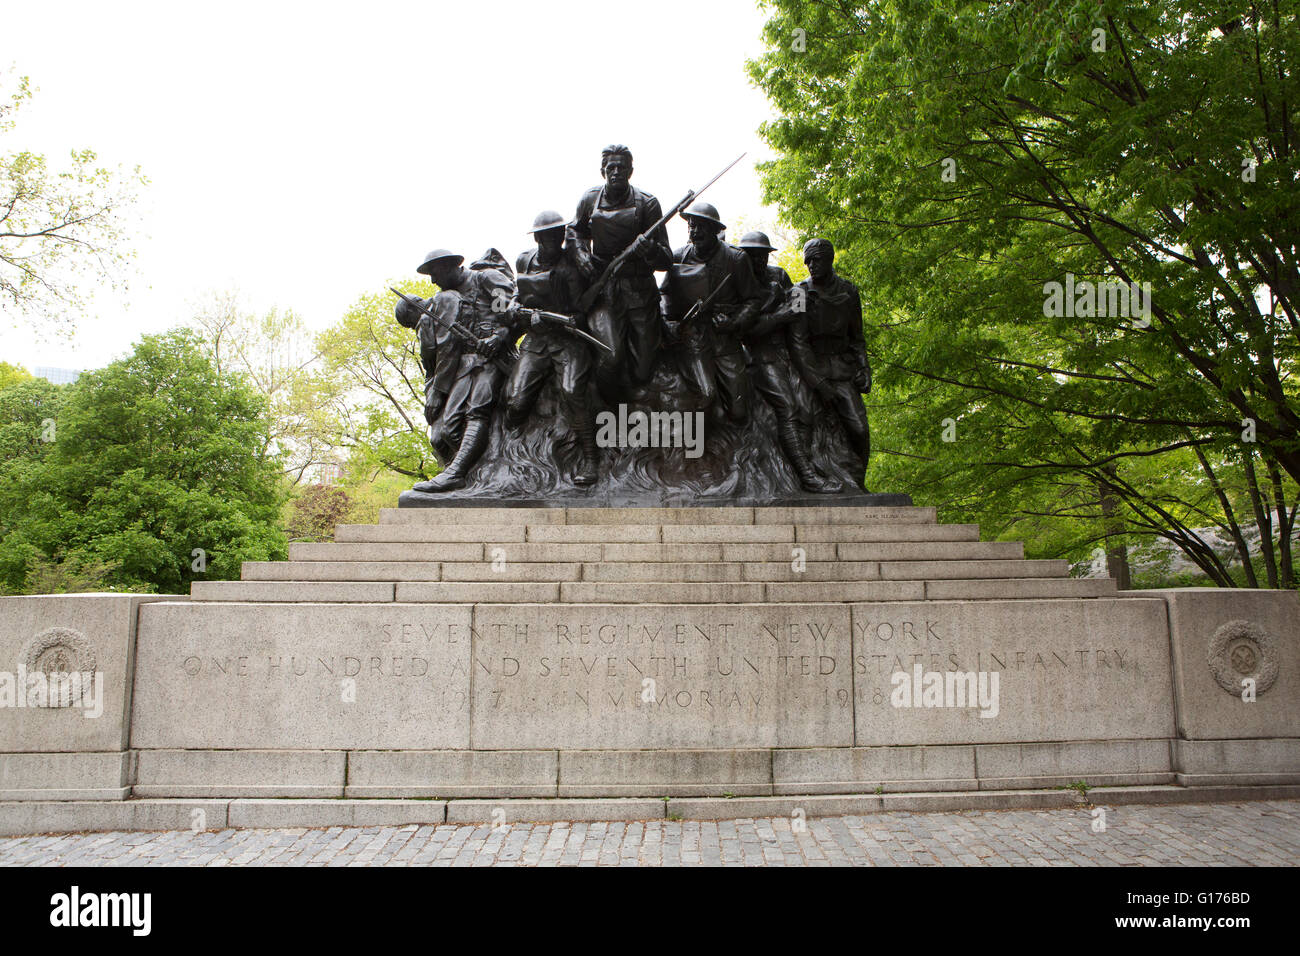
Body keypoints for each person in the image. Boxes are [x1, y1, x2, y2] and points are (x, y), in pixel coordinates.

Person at [397, 248, 519, 492]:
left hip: (494, 359)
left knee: (477, 410)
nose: (432, 280)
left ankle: (456, 474)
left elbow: (516, 312)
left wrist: (499, 337)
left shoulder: (485, 278)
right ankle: (469, 475)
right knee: (450, 425)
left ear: (451, 265)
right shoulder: (445, 298)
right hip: (465, 365)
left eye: (434, 273)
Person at [736, 231, 841, 493]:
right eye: (751, 256)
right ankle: (807, 477)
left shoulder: (779, 276)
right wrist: (780, 316)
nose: (758, 261)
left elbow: (797, 308)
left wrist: (791, 313)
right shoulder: (738, 285)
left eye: (762, 255)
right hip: (760, 357)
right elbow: (746, 332)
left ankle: (809, 466)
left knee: (808, 409)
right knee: (788, 408)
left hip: (789, 352)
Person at [566, 144, 672, 395]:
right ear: (602, 171)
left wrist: (650, 251)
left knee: (643, 371)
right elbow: (574, 231)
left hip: (639, 292)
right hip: (603, 290)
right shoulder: (589, 199)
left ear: (631, 171)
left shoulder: (648, 203)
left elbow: (666, 259)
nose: (616, 172)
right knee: (611, 355)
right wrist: (581, 254)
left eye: (621, 167)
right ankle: (604, 404)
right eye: (610, 167)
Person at [504, 210, 600, 486]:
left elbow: (581, 310)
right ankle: (516, 458)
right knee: (516, 401)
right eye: (547, 235)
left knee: (572, 392)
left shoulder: (571, 268)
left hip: (567, 340)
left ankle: (591, 459)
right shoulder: (524, 259)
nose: (553, 240)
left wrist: (554, 316)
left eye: (558, 234)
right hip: (536, 340)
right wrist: (516, 308)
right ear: (537, 237)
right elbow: (515, 294)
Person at [660, 202, 763, 423]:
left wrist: (734, 322)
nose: (694, 232)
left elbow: (753, 300)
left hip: (725, 340)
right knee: (706, 395)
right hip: (692, 338)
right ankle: (693, 447)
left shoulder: (736, 259)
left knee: (739, 411)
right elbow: (664, 294)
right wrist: (668, 322)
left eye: (700, 226)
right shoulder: (678, 256)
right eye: (691, 226)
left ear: (714, 230)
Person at [788, 238, 872, 489]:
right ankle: (809, 480)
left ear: (830, 260)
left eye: (816, 260)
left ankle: (857, 483)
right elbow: (797, 342)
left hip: (842, 369)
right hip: (809, 369)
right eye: (807, 261)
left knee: (859, 429)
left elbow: (857, 338)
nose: (811, 265)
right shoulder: (798, 293)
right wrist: (818, 382)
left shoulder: (849, 292)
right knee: (800, 422)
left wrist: (864, 368)